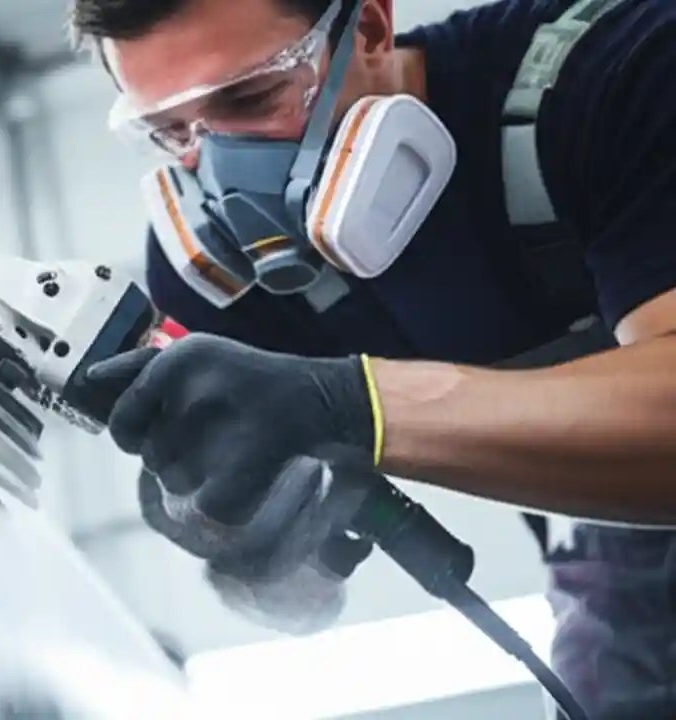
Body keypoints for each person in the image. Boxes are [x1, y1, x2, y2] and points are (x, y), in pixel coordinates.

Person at [69, 0, 676, 716]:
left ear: (369, 27)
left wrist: (357, 408)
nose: (217, 165)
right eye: (170, 130)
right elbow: (304, 602)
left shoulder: (618, 73)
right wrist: (246, 535)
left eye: (254, 96)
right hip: (620, 571)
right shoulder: (225, 278)